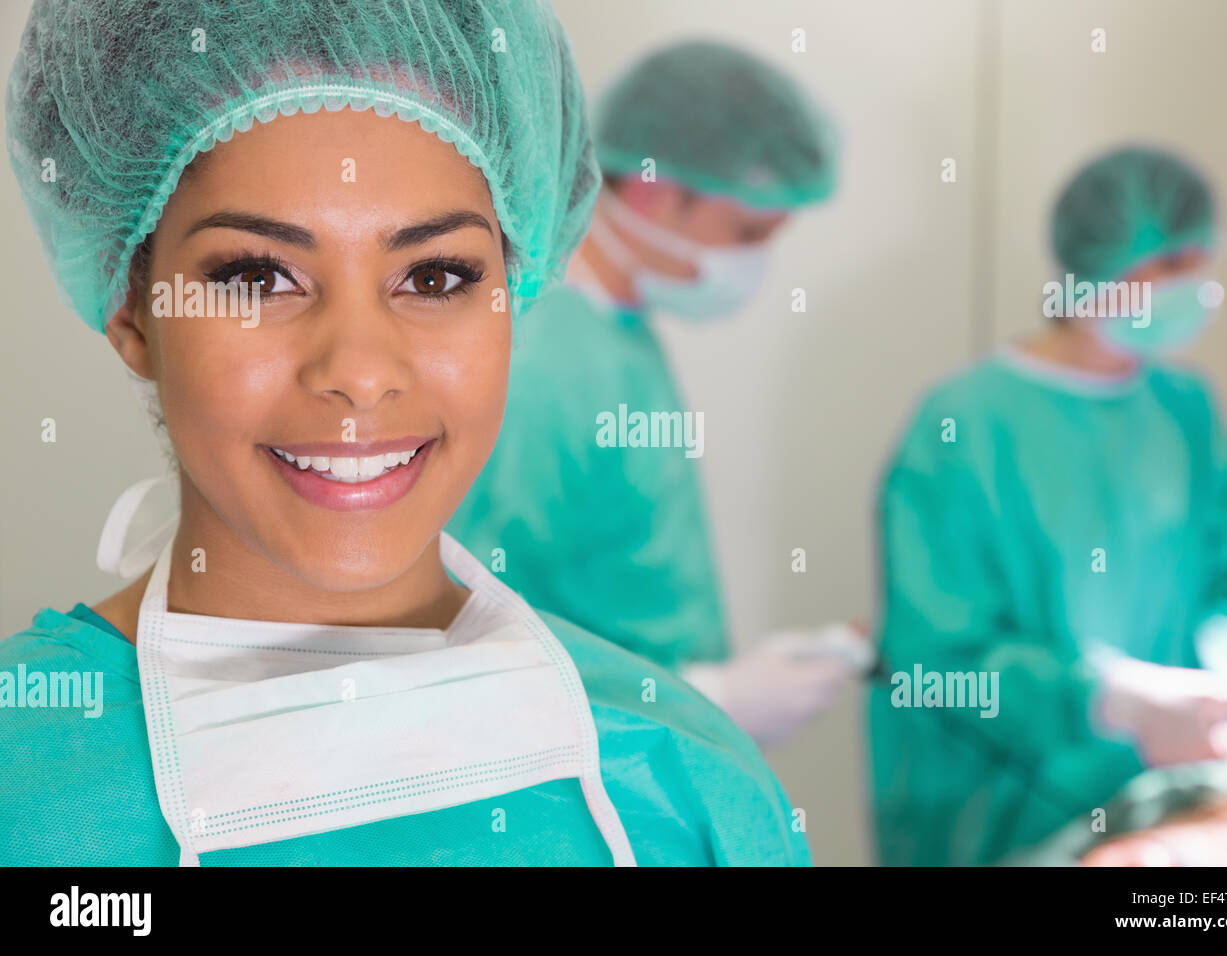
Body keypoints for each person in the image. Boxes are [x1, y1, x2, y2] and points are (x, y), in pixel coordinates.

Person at [0, 0, 810, 867]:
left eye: (434, 275)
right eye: (258, 275)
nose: (359, 368)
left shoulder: (686, 785)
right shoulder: (27, 780)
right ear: (132, 310)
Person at [867, 146, 1227, 866]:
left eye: (1200, 259)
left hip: (1180, 809)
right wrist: (1106, 700)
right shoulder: (965, 427)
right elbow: (933, 661)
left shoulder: (1185, 411)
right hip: (1003, 822)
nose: (1192, 283)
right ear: (1100, 263)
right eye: (1169, 263)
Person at [446, 41, 867, 746]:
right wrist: (705, 697)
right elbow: (467, 627)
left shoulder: (622, 332)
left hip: (648, 744)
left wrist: (702, 688)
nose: (754, 262)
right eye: (747, 232)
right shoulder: (544, 357)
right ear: (655, 191)